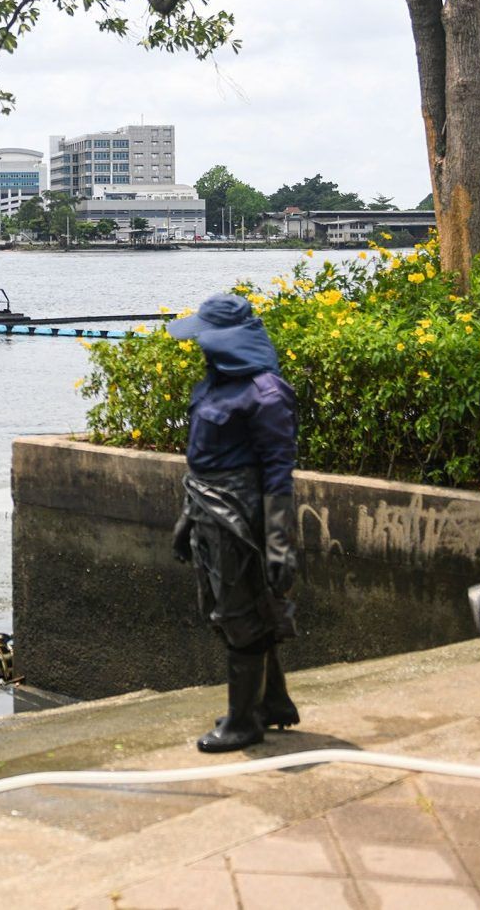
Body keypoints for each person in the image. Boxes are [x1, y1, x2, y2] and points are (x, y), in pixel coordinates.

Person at [167, 295, 301, 752]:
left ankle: (244, 722)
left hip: (242, 512)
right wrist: (187, 518)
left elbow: (279, 472)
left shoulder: (266, 392)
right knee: (233, 607)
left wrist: (279, 543)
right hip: (207, 505)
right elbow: (200, 462)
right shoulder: (212, 386)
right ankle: (274, 702)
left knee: (238, 613)